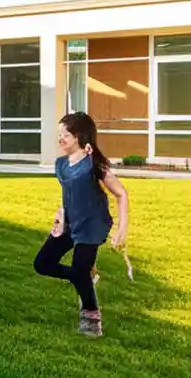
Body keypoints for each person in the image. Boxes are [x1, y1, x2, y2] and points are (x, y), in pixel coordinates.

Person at [35, 112, 130, 338]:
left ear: (78, 137)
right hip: (70, 223)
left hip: (92, 225)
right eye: (59, 134)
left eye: (64, 135)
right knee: (42, 264)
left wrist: (122, 228)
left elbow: (121, 194)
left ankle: (91, 317)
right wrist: (60, 216)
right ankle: (84, 277)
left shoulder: (94, 164)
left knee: (79, 269)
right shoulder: (61, 165)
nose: (60, 139)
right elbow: (68, 194)